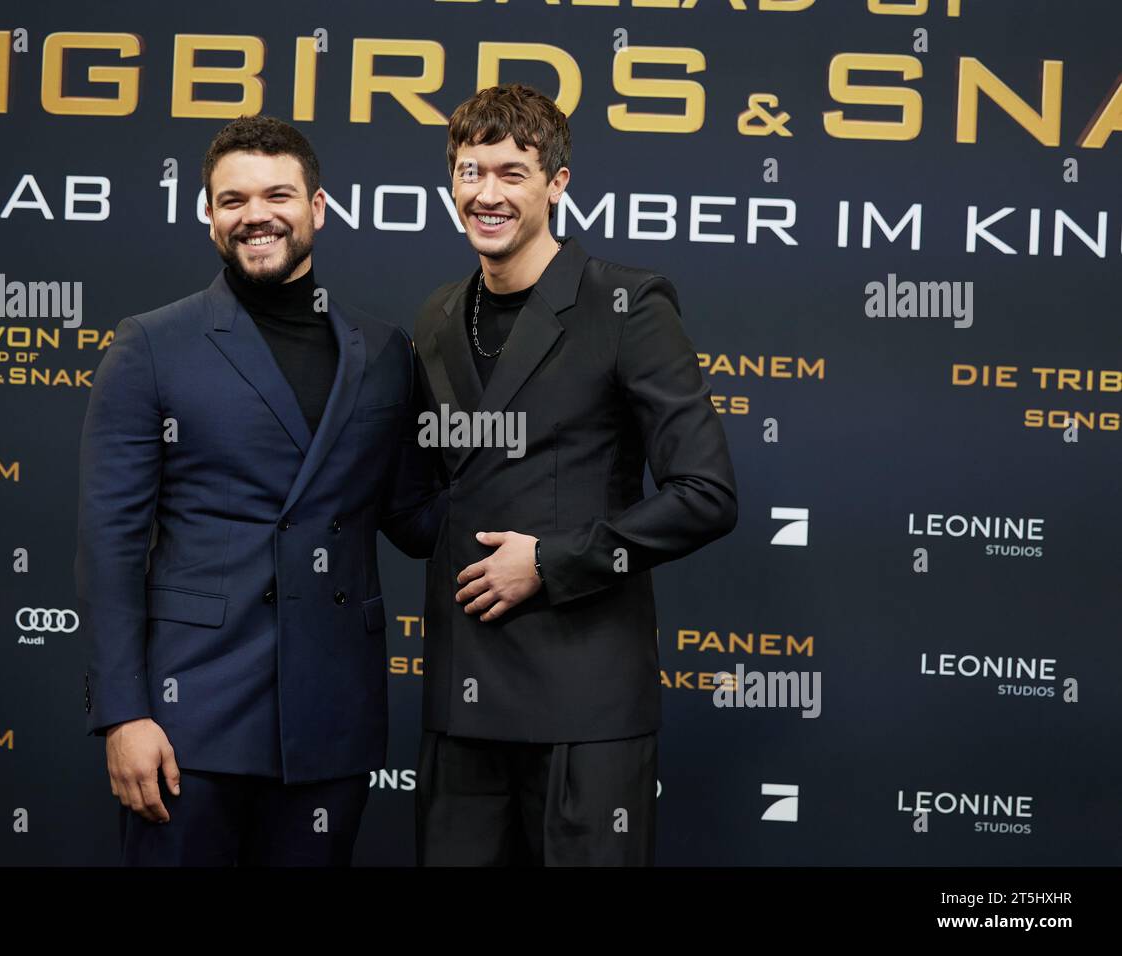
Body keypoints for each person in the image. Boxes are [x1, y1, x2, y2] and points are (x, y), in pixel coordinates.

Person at [76, 115, 444, 866]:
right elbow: (108, 544)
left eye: (277, 194)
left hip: (330, 720)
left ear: (317, 207)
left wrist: (547, 488)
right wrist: (122, 715)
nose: (255, 216)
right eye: (233, 200)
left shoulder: (383, 352)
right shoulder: (150, 343)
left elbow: (414, 516)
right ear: (209, 214)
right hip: (188, 721)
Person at [412, 84, 738, 866]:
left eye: (511, 173)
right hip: (461, 710)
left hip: (584, 712)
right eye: (469, 171)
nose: (486, 193)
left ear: (557, 184)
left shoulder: (627, 305)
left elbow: (707, 495)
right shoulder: (435, 316)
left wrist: (551, 563)